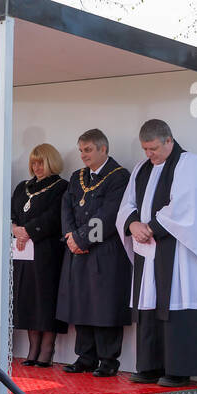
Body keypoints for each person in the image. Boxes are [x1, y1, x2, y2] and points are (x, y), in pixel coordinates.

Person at [117, 119, 197, 387]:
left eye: (153, 148)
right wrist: (133, 225)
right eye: (145, 149)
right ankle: (150, 366)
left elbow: (186, 207)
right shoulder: (141, 169)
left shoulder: (189, 164)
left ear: (169, 140)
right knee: (149, 300)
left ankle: (178, 369)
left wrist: (150, 228)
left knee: (176, 298)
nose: (149, 154)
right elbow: (127, 204)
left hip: (179, 252)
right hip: (149, 251)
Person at [57, 129, 132, 377]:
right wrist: (70, 237)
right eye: (81, 150)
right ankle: (85, 357)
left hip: (105, 250)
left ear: (103, 149)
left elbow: (110, 214)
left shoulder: (119, 177)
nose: (83, 155)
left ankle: (108, 360)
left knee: (104, 305)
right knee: (81, 302)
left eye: (88, 150)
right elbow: (66, 208)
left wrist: (82, 239)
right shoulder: (77, 176)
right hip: (77, 248)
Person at [10, 144, 68, 366]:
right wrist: (15, 229)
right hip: (23, 251)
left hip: (47, 252)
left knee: (45, 299)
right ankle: (32, 348)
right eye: (33, 163)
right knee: (27, 298)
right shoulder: (23, 187)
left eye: (41, 162)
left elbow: (54, 217)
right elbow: (12, 212)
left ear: (51, 162)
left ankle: (47, 349)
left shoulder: (61, 187)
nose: (36, 167)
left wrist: (28, 231)